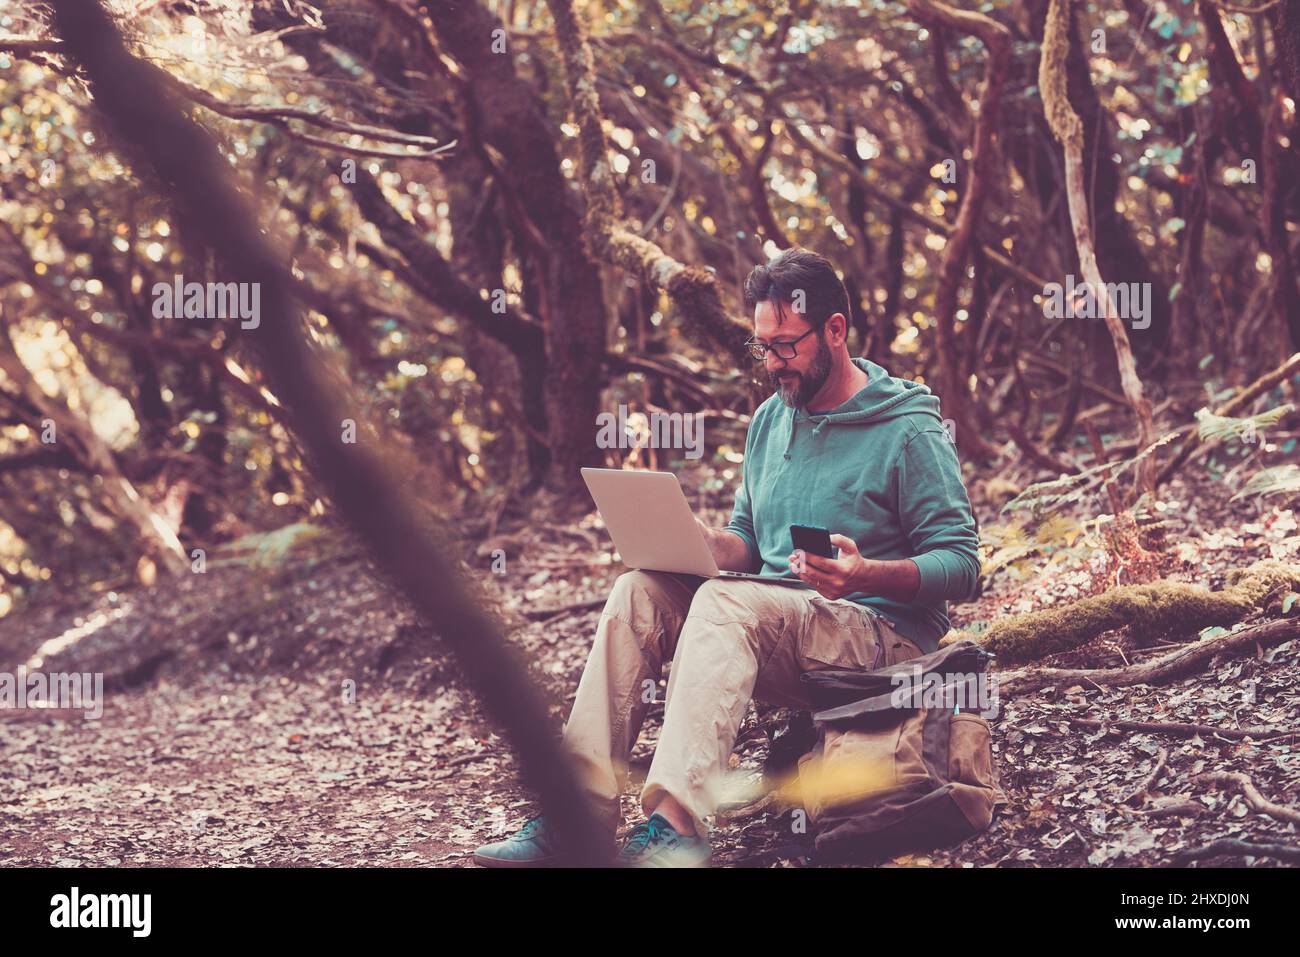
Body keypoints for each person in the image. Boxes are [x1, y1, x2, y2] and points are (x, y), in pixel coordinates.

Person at [474, 248, 980, 867]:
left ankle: (677, 829)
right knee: (639, 590)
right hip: (780, 623)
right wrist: (705, 545)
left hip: (881, 635)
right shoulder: (772, 419)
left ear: (835, 330)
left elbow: (961, 564)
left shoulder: (908, 426)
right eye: (762, 348)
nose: (772, 364)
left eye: (786, 347)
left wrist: (865, 573)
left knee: (723, 601)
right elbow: (749, 536)